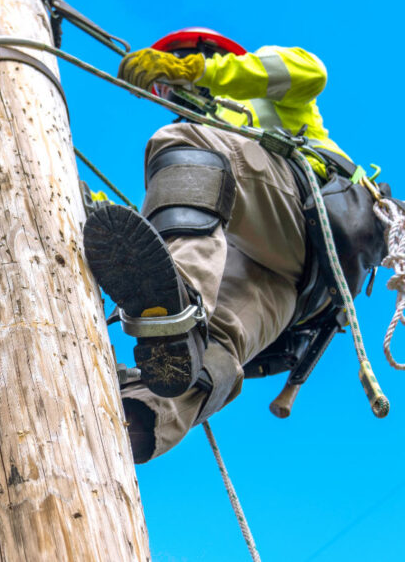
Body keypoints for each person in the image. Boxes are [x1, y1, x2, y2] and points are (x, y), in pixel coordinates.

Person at [83, 28, 390, 463]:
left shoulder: (254, 95)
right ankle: (134, 422)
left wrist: (201, 72)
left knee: (181, 146)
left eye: (179, 67)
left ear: (212, 55)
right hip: (297, 283)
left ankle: (178, 310)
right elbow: (182, 220)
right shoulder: (211, 150)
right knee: (216, 345)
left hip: (304, 208)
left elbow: (310, 72)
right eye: (165, 82)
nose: (170, 88)